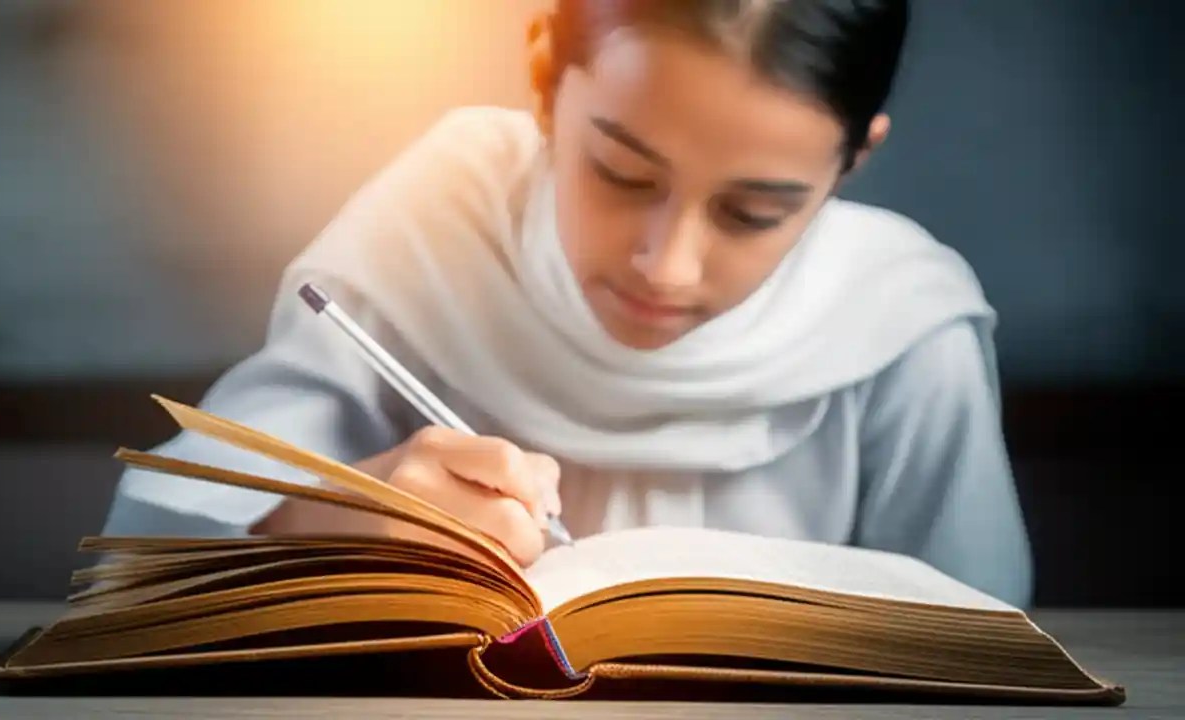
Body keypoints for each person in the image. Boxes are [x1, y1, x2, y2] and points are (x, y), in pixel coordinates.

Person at [102, 0, 1034, 608]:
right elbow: (147, 547)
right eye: (623, 175)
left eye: (756, 212)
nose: (666, 268)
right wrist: (313, 522)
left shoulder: (904, 324)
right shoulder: (432, 226)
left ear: (851, 163)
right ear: (546, 74)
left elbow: (982, 636)